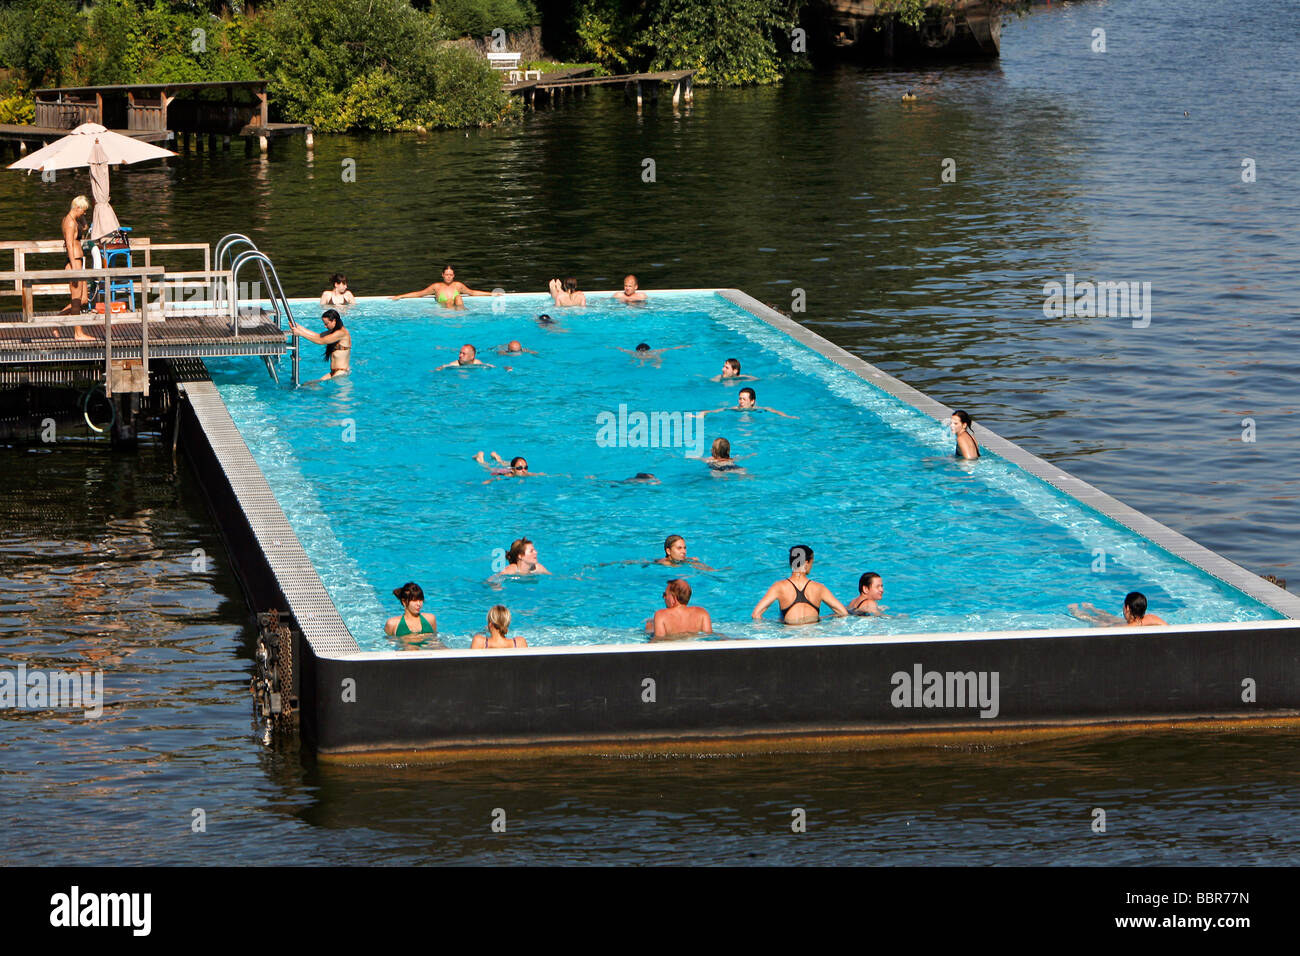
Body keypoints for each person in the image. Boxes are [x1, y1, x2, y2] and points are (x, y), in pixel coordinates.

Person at [752, 545, 849, 625]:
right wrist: (822, 618)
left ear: (791, 563)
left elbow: (756, 614)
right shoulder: (819, 588)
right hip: (814, 634)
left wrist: (775, 623)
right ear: (806, 563)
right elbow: (843, 612)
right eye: (812, 562)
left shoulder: (779, 587)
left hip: (790, 635)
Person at [58, 196, 92, 338]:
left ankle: (58, 319)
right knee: (76, 299)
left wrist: (82, 218)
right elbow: (70, 246)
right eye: (83, 210)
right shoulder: (69, 223)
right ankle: (78, 333)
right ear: (77, 208)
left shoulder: (75, 221)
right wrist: (73, 266)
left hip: (79, 261)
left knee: (84, 299)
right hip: (74, 262)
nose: (84, 213)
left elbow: (85, 227)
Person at [289, 309, 351, 379]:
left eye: (326, 324)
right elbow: (318, 336)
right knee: (309, 385)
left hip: (341, 372)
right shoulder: (333, 331)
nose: (325, 326)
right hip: (333, 372)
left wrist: (301, 333)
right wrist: (299, 327)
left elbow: (321, 341)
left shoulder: (341, 333)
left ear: (334, 321)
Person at [393, 265, 500, 304]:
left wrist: (491, 294)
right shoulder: (436, 287)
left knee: (458, 297)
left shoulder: (458, 285)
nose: (449, 277)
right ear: (443, 275)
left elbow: (472, 292)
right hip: (444, 310)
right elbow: (419, 294)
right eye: (447, 275)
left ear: (454, 276)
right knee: (449, 301)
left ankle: (461, 316)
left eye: (451, 275)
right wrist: (401, 296)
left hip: (458, 309)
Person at [645, 579, 713, 640]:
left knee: (649, 625)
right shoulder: (702, 613)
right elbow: (708, 637)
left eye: (665, 594)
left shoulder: (661, 615)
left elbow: (659, 641)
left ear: (673, 598)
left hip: (673, 648)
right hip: (694, 646)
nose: (664, 597)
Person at [1070, 591, 1169, 627]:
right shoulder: (1151, 618)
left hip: (1125, 624)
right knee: (1109, 617)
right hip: (1132, 622)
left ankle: (1075, 611)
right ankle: (1092, 609)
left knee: (1096, 620)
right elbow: (1168, 627)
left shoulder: (1123, 628)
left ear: (1127, 608)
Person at [700, 387, 794, 419]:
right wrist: (704, 413)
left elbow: (774, 411)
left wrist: (788, 416)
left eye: (744, 399)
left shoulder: (758, 409)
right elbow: (717, 411)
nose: (741, 401)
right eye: (740, 399)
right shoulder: (736, 409)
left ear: (752, 401)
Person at [474, 451, 544, 481]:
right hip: (501, 471)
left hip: (511, 467)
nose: (523, 470)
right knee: (487, 468)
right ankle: (480, 458)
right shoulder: (507, 474)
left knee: (502, 462)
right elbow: (494, 477)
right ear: (513, 470)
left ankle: (497, 458)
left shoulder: (526, 473)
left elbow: (539, 474)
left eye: (526, 467)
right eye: (519, 468)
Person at [614, 342, 690, 368]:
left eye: (644, 349)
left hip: (645, 359)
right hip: (648, 358)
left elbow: (670, 348)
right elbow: (622, 349)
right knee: (658, 359)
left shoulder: (635, 353)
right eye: (642, 349)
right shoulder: (655, 351)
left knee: (657, 359)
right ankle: (656, 364)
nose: (643, 351)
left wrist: (683, 346)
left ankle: (653, 364)